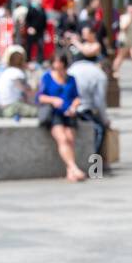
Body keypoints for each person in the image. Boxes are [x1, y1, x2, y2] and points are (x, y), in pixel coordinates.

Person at [37, 51, 86, 182]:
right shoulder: (47, 77)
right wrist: (53, 100)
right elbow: (40, 97)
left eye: (60, 63)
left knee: (70, 138)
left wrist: (74, 107)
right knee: (62, 139)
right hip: (54, 113)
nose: (58, 66)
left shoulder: (71, 78)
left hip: (69, 112)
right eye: (55, 63)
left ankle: (70, 172)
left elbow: (77, 97)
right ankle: (74, 167)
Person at [69, 49, 111, 162]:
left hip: (66, 109)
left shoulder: (71, 69)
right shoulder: (98, 74)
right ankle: (95, 168)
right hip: (84, 110)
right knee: (99, 130)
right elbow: (100, 101)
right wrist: (105, 119)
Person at [0, 46, 38, 118]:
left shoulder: (7, 71)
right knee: (37, 111)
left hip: (2, 106)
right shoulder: (16, 73)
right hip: (10, 107)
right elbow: (27, 92)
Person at [113, 3, 132, 80]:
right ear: (127, 10)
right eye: (131, 10)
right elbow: (123, 28)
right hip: (124, 41)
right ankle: (114, 71)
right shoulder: (123, 17)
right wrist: (130, 19)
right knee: (120, 57)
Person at [23, 0, 48, 65]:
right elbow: (27, 20)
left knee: (40, 46)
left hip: (40, 31)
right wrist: (29, 28)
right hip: (32, 30)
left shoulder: (42, 8)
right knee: (29, 46)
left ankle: (40, 61)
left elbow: (44, 20)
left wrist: (44, 30)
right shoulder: (31, 8)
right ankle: (28, 60)